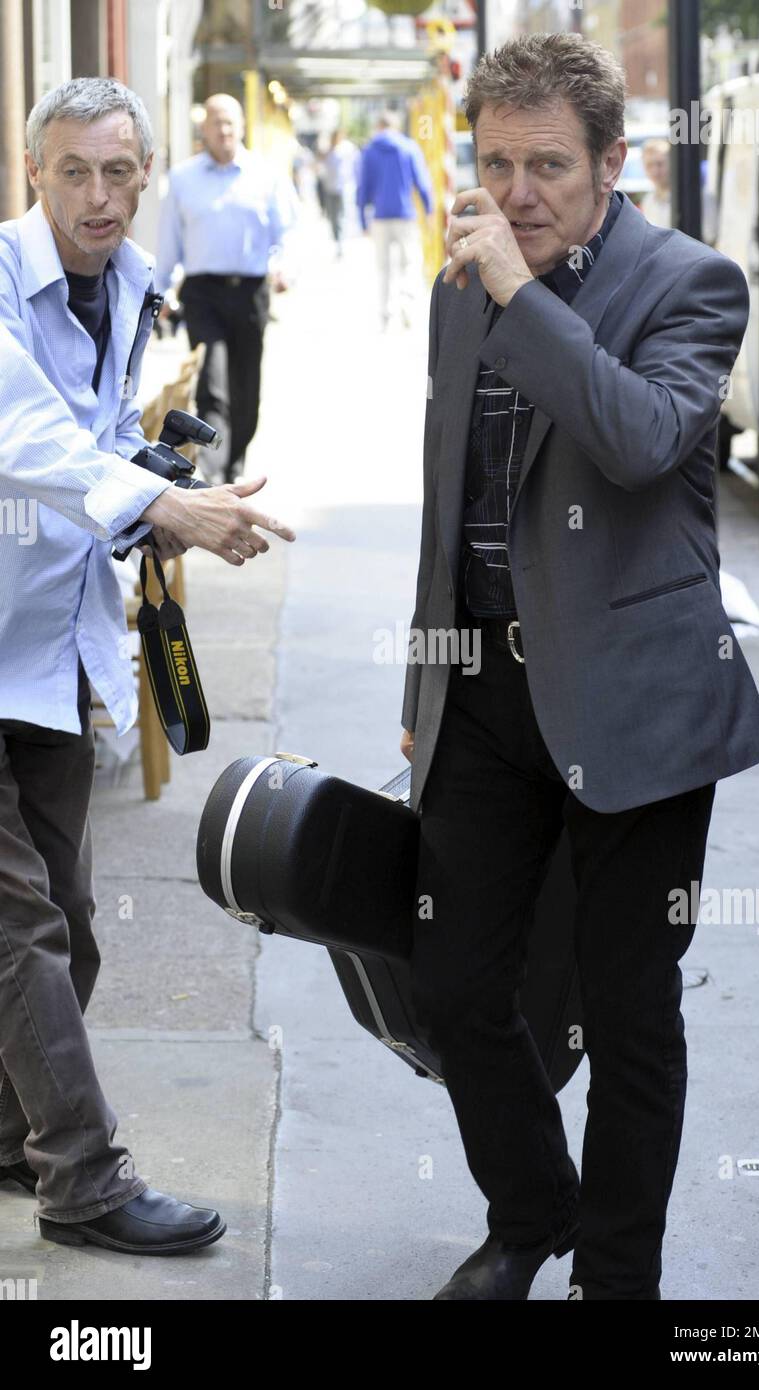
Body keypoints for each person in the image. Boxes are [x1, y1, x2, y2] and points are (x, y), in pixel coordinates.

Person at [399, 32, 759, 1301]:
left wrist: (521, 296)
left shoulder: (695, 283)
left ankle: (617, 1274)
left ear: (615, 163)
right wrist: (427, 687)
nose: (516, 193)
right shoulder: (468, 283)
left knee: (629, 1014)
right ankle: (533, 1208)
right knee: (450, 982)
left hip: (637, 698)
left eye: (548, 165)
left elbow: (637, 440)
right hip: (487, 697)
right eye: (496, 162)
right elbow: (445, 495)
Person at [0, 77, 295, 1256]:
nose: (99, 193)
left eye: (120, 170)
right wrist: (163, 503)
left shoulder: (129, 285)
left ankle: (12, 1127)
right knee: (21, 924)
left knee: (67, 913)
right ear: (35, 175)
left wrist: (152, 479)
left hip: (45, 650)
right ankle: (84, 1175)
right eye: (74, 170)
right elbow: (25, 440)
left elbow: (87, 442)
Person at [155, 93, 298, 484]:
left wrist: (283, 268)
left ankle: (234, 461)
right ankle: (214, 473)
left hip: (251, 292)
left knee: (246, 389)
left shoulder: (265, 175)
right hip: (201, 293)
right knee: (212, 383)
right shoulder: (184, 180)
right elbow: (169, 241)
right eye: (216, 122)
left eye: (230, 122)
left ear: (242, 127)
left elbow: (286, 233)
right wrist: (161, 291)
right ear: (204, 129)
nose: (224, 130)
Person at [357, 110, 434, 330]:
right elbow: (422, 182)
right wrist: (428, 211)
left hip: (380, 217)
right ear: (396, 126)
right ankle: (406, 304)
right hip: (405, 215)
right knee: (409, 263)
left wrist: (363, 220)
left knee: (383, 267)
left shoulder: (370, 150)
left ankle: (386, 313)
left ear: (379, 126)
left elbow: (363, 188)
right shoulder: (409, 147)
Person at [320, 129, 360, 257]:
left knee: (342, 215)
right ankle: (338, 240)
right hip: (330, 188)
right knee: (332, 216)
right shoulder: (329, 150)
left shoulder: (348, 149)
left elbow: (356, 166)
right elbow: (323, 167)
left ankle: (342, 244)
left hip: (344, 188)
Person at [640, 136, 671, 227]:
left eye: (660, 164)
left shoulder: (694, 198)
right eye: (649, 165)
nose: (655, 171)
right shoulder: (648, 201)